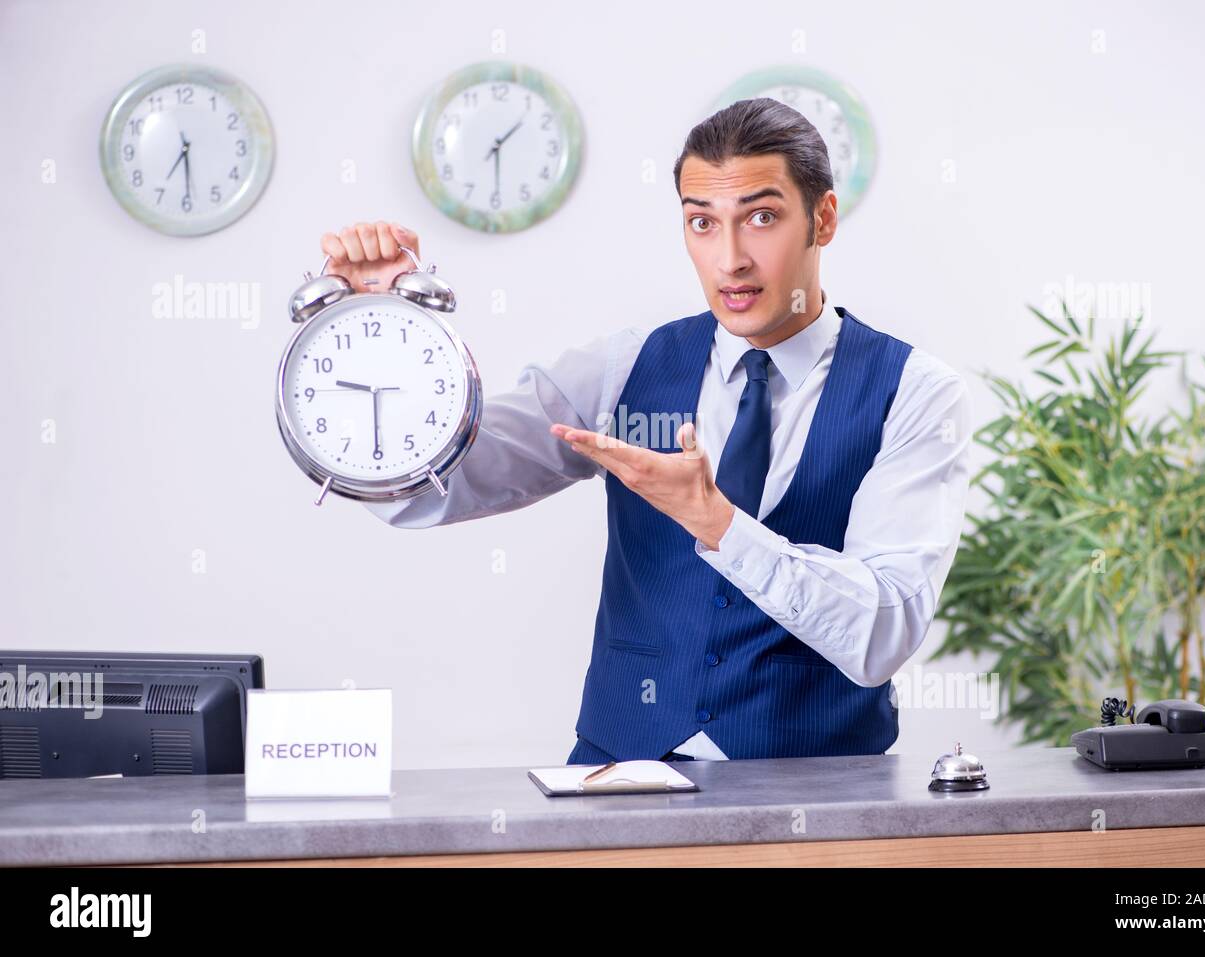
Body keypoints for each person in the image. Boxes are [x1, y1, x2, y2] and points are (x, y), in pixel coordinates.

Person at [321, 97, 973, 765]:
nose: (730, 260)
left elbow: (883, 631)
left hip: (822, 792)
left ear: (823, 218)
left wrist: (719, 523)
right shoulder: (625, 368)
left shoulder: (915, 392)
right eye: (702, 222)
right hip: (619, 779)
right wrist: (385, 341)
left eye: (762, 217)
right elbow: (434, 487)